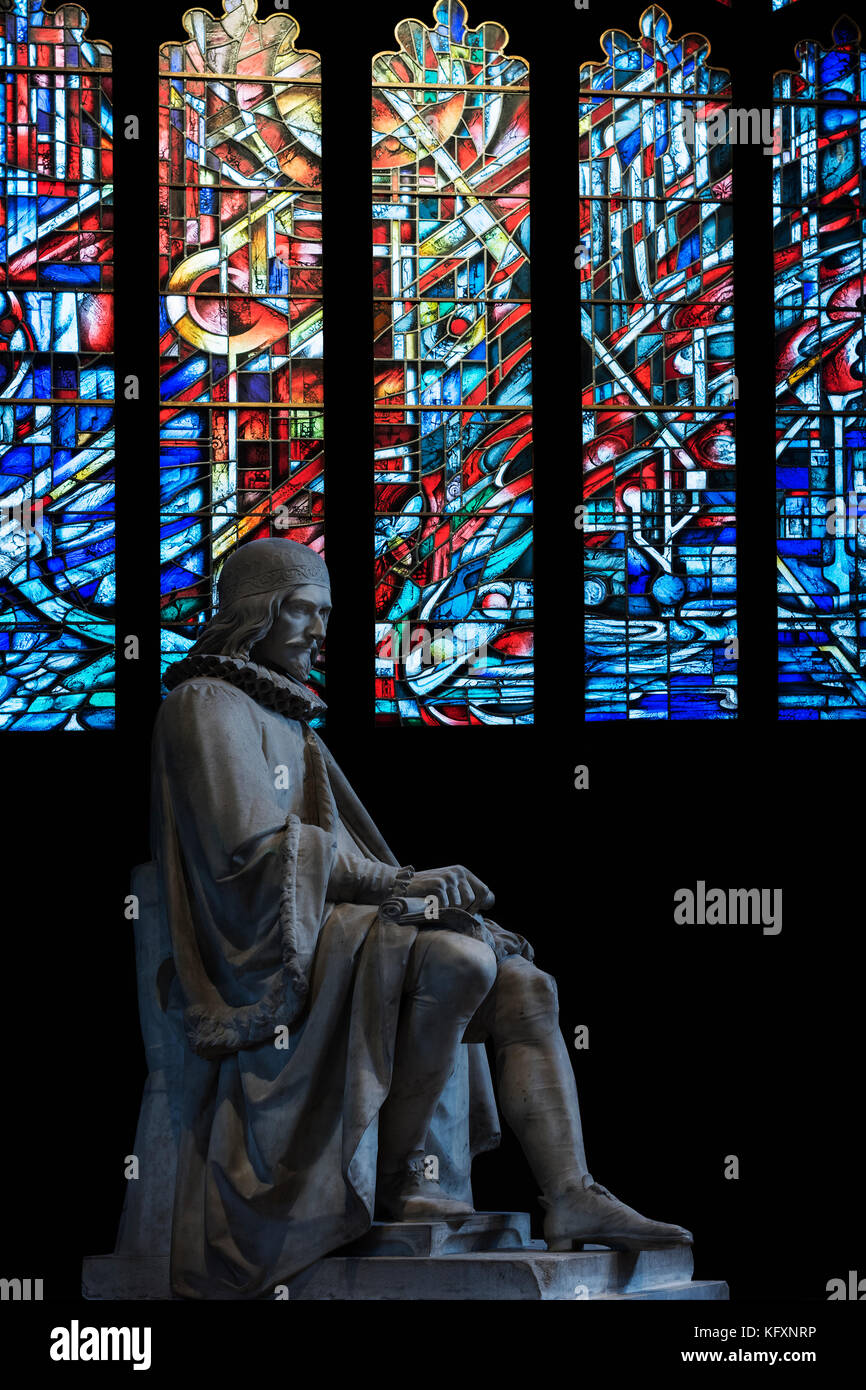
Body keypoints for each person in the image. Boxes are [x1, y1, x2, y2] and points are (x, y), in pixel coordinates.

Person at [152, 538, 691, 1299]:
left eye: (325, 614)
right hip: (258, 945)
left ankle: (570, 1188)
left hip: (324, 919)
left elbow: (327, 853)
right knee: (459, 963)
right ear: (256, 610)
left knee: (524, 983)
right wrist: (405, 883)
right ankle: (386, 1182)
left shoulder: (289, 718)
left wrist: (418, 896)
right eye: (303, 611)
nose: (316, 631)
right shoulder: (203, 703)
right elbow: (253, 854)